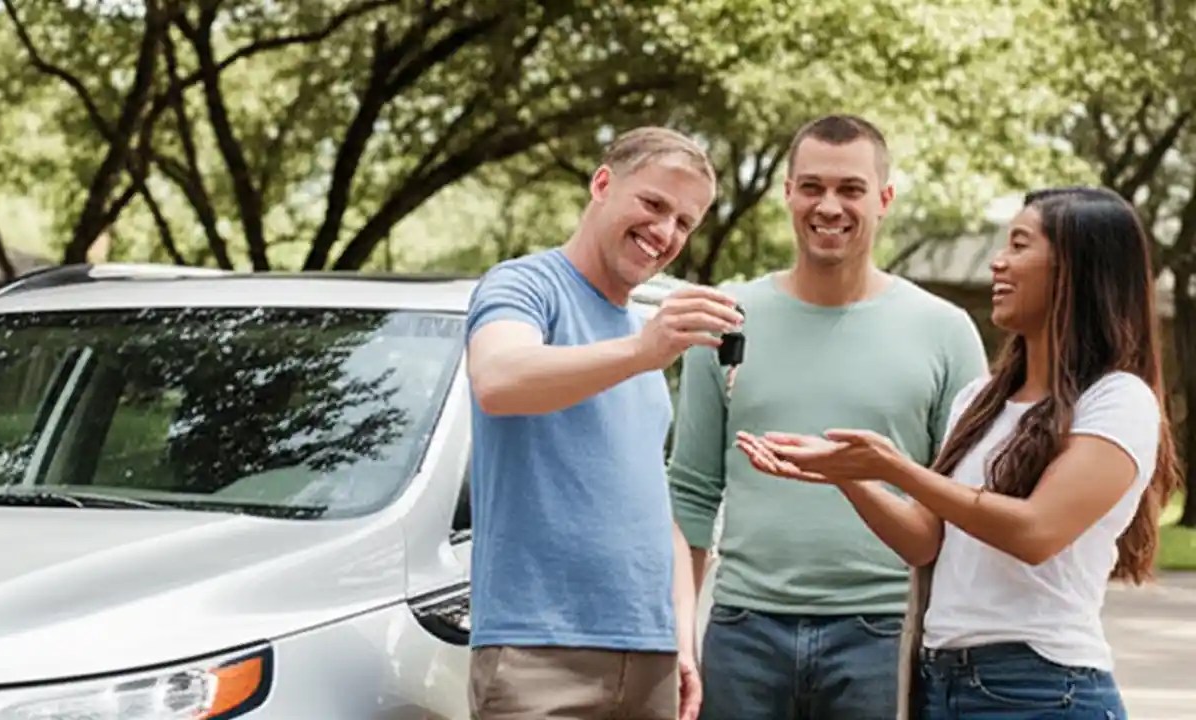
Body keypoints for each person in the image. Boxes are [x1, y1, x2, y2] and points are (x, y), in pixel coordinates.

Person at [738, 186, 1181, 718]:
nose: (999, 262)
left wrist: (896, 467)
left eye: (1019, 246)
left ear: (1076, 269)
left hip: (1042, 689)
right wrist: (850, 476)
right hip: (942, 684)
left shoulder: (1117, 399)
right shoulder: (980, 399)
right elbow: (923, 541)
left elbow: (1035, 531)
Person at [667, 114, 989, 720]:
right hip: (743, 631)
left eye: (851, 189)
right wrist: (681, 636)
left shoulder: (945, 331)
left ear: (884, 199)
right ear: (787, 192)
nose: (829, 206)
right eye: (811, 187)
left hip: (881, 632)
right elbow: (691, 492)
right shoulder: (727, 318)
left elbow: (959, 504)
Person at [464, 126, 742, 720]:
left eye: (685, 223)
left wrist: (681, 635)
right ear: (602, 183)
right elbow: (498, 379)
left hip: (649, 652)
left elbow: (653, 508)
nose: (666, 232)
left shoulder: (638, 336)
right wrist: (645, 351)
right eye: (654, 204)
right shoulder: (527, 284)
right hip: (538, 650)